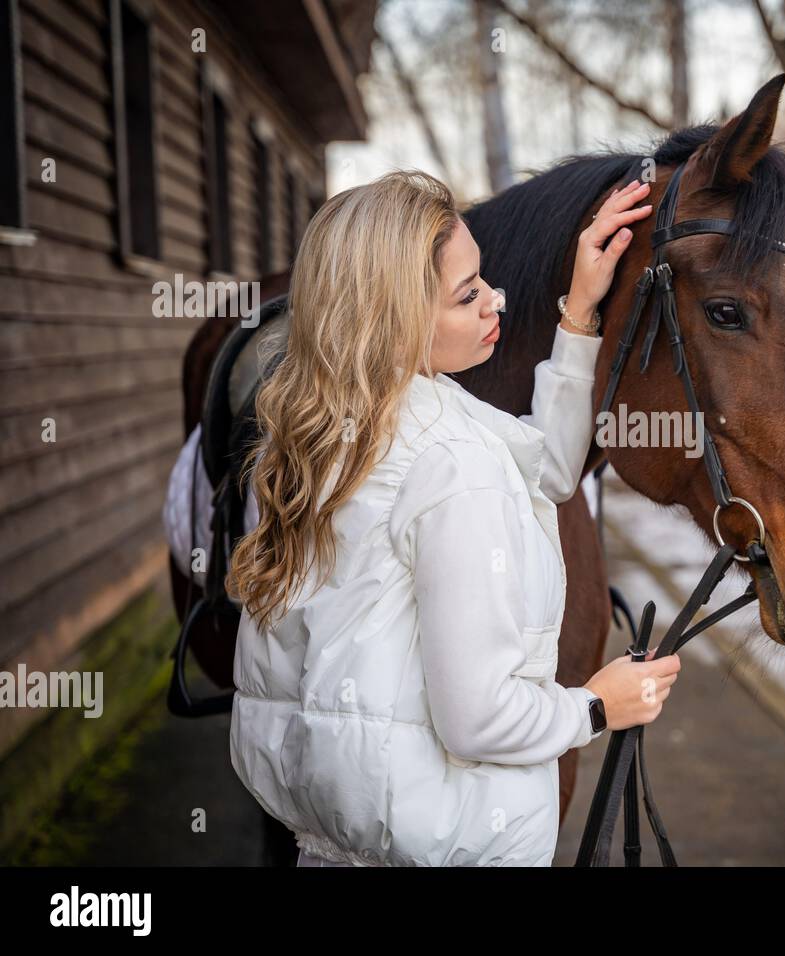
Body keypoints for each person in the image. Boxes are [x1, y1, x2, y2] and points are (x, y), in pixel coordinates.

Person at [223, 169, 680, 866]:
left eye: (484, 280)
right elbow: (479, 720)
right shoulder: (455, 460)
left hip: (338, 842)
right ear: (394, 319)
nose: (495, 301)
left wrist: (579, 314)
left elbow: (541, 470)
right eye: (467, 295)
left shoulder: (327, 431)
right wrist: (594, 706)